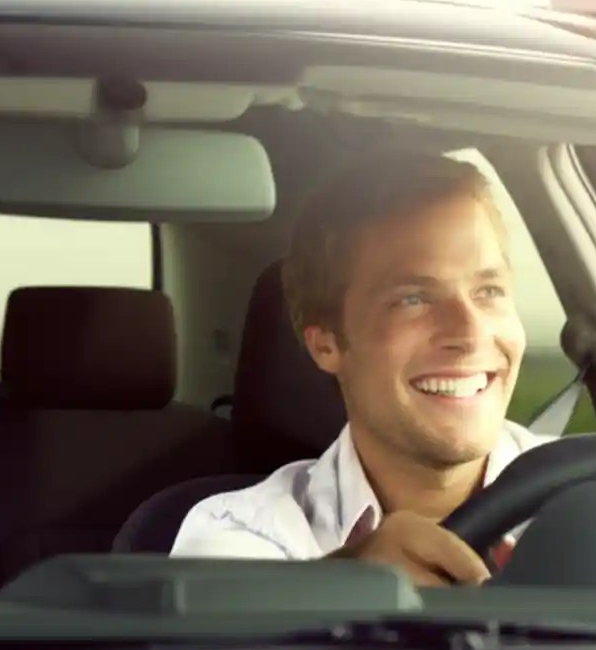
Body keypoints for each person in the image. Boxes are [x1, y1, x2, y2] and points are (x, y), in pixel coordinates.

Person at [171, 147, 552, 586]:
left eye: (488, 291)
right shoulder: (241, 534)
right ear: (326, 345)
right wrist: (339, 586)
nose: (469, 333)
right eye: (413, 299)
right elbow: (225, 623)